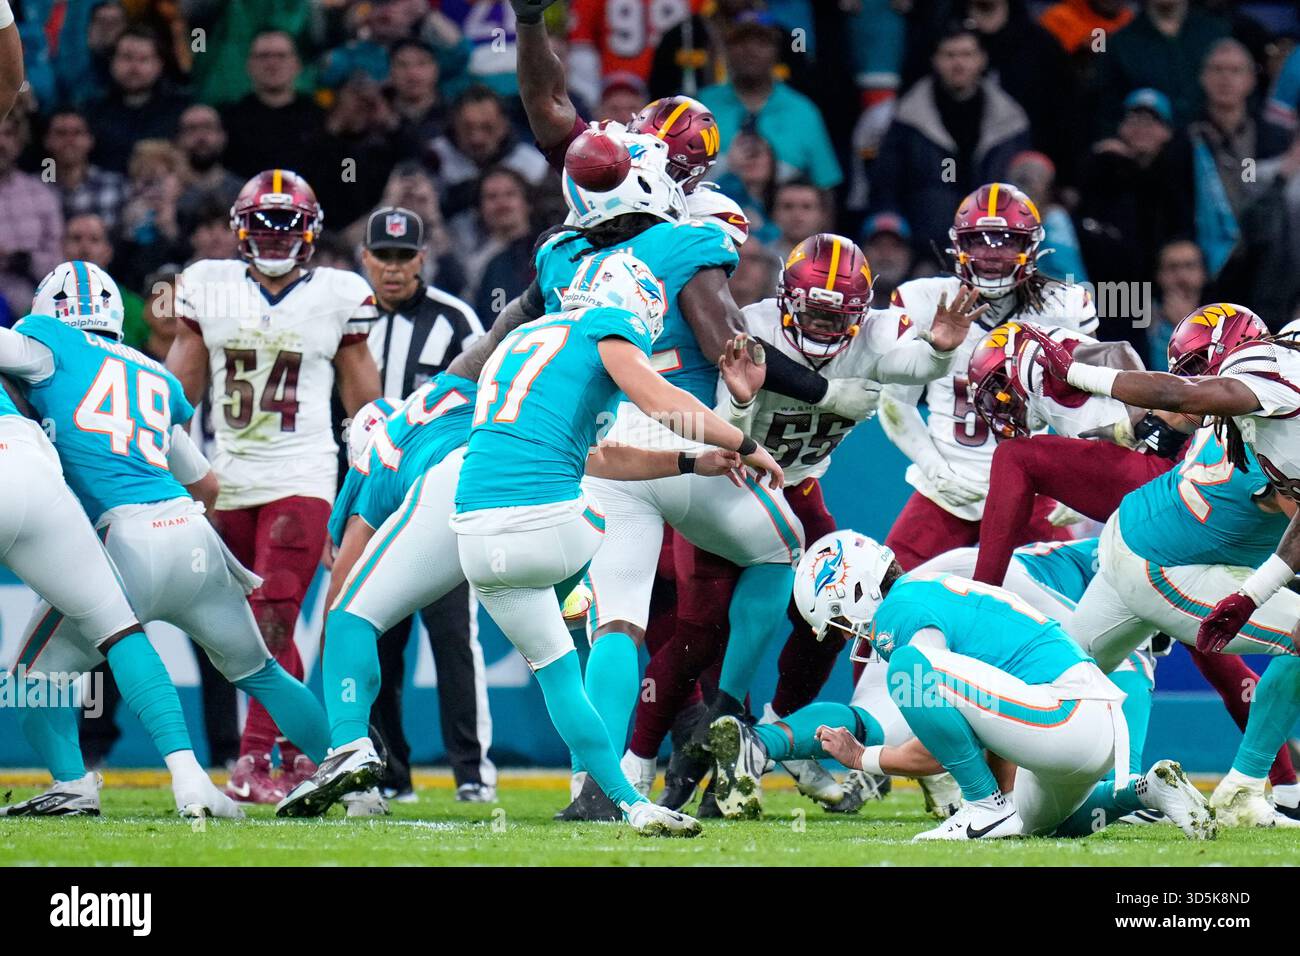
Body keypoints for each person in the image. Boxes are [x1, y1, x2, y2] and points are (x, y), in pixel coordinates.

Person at [624, 233, 986, 808]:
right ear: (786, 300)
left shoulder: (877, 333)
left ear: (861, 312)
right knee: (699, 632)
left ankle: (785, 736)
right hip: (730, 485)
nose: (821, 329)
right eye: (812, 314)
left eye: (835, 317)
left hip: (798, 492)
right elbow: (719, 425)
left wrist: (940, 350)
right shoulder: (753, 327)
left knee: (839, 619)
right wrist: (746, 401)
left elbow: (910, 361)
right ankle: (636, 765)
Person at [451, 249, 781, 835]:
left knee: (561, 671)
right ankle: (589, 605)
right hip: (552, 526)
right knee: (612, 569)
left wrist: (687, 462)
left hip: (474, 538)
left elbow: (600, 456)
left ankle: (614, 796)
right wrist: (746, 443)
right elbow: (663, 402)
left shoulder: (522, 338)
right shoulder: (608, 323)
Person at [0, 260, 331, 817]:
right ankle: (347, 771)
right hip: (193, 531)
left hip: (125, 538)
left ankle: (74, 784)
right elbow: (206, 483)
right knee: (261, 673)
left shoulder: (47, 345)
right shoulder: (151, 374)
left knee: (32, 680)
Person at [1025, 310, 1300, 827]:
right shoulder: (1271, 421)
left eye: (1204, 367)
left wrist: (1102, 422)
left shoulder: (1247, 403)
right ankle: (1245, 786)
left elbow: (1170, 412)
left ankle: (984, 789)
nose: (1205, 378)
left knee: (1059, 683)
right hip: (1169, 567)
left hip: (1129, 535)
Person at [165, 169, 382, 803]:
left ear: (312, 232)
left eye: (288, 223)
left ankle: (255, 759)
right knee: (236, 632)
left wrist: (361, 493)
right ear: (239, 229)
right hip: (224, 477)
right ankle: (316, 754)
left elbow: (364, 410)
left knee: (277, 615)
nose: (275, 235)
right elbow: (179, 398)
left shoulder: (339, 294)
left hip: (301, 474)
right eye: (263, 222)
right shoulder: (207, 285)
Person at [790, 530, 1216, 841]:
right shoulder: (926, 592)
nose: (848, 636)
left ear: (855, 593)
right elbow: (970, 728)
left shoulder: (901, 610)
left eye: (840, 622)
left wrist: (865, 757)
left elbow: (936, 739)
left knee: (907, 667)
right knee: (1042, 826)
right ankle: (1147, 791)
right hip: (1081, 722)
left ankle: (981, 807)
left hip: (1064, 714)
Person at [878, 183, 1096, 571]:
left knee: (1068, 604)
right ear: (959, 245)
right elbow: (895, 403)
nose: (992, 256)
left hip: (1033, 490)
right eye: (979, 242)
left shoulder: (1064, 307)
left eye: (1007, 242)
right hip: (948, 491)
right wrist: (933, 466)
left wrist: (1074, 480)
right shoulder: (922, 300)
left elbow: (1085, 408)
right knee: (886, 595)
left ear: (1030, 247)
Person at [358, 205, 496, 802]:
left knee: (452, 640)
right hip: (372, 497)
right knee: (377, 639)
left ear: (422, 258)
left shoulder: (455, 319)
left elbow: (482, 404)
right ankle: (392, 774)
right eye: (382, 256)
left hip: (439, 497)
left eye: (403, 257)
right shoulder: (348, 320)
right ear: (365, 258)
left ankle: (471, 772)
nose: (392, 269)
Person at [870, 22, 1030, 258]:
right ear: (935, 61)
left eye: (967, 55)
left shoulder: (1010, 121)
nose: (958, 64)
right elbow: (886, 185)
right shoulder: (908, 120)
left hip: (997, 251)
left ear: (982, 60)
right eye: (949, 55)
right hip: (925, 251)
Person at [218, 31, 326, 178]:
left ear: (297, 65)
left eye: (281, 56)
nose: (272, 63)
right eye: (263, 56)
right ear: (249, 66)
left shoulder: (321, 119)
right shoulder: (228, 120)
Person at [84, 27, 188, 174]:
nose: (134, 67)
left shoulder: (181, 111)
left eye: (143, 59)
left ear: (159, 65)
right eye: (127, 58)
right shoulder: (91, 111)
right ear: (112, 61)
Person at [0, 113, 63, 320]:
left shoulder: (41, 194)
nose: (1, 142)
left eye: (8, 134)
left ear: (19, 143)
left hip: (32, 309)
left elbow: (59, 261)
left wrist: (21, 260)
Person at [42, 109, 126, 229]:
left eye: (77, 133)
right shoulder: (34, 188)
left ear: (90, 140)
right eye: (61, 133)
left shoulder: (116, 185)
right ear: (47, 141)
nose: (69, 141)